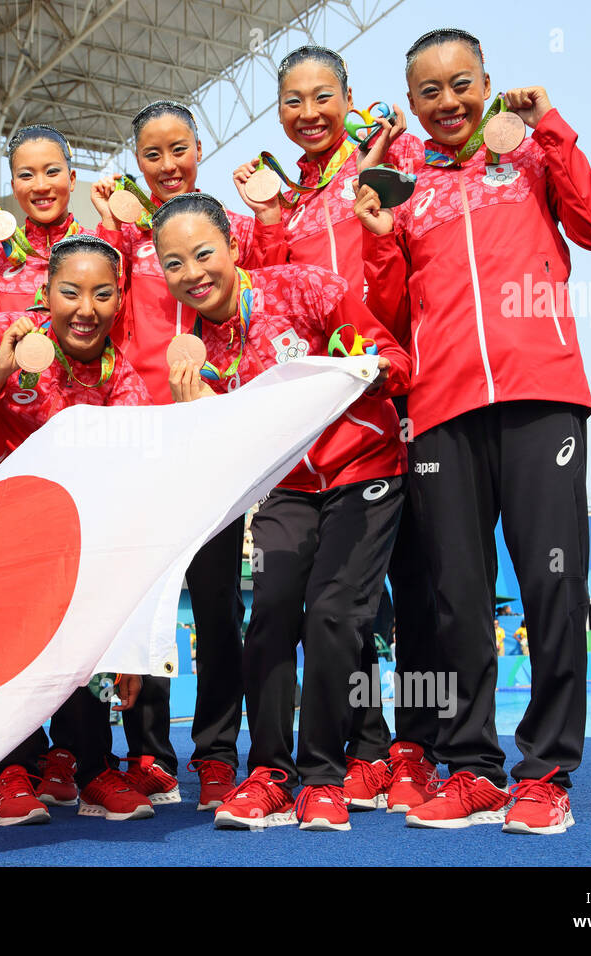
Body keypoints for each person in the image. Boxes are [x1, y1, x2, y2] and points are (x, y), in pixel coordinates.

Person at [356, 27, 591, 834]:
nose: (449, 102)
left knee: (552, 584)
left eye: (462, 83)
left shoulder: (532, 156)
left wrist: (553, 127)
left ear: (487, 82)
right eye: (430, 91)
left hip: (543, 395)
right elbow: (390, 311)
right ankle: (472, 768)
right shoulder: (407, 189)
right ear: (411, 103)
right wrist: (377, 244)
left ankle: (547, 775)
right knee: (454, 600)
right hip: (442, 409)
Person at [152, 193, 410, 833]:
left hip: (364, 467)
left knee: (331, 615)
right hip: (286, 487)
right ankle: (269, 773)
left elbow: (396, 360)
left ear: (233, 247)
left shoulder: (306, 288)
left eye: (204, 253)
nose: (193, 273)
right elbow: (227, 456)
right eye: (174, 263)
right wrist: (197, 410)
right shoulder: (193, 350)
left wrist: (369, 370)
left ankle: (323, 776)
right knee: (268, 616)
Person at [240, 46, 441, 813]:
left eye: (323, 96)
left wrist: (390, 151)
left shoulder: (394, 158)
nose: (309, 112)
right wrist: (262, 222)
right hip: (325, 431)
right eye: (293, 101)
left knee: (421, 588)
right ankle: (366, 740)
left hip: (408, 395)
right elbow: (266, 299)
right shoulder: (287, 207)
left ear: (351, 97)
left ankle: (420, 747)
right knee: (345, 605)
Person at [84, 101, 286, 811]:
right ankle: (146, 753)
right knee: (142, 606)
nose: (167, 165)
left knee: (215, 605)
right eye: (152, 154)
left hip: (212, 442)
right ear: (134, 160)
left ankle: (216, 754)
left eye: (179, 149)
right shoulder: (124, 243)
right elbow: (95, 320)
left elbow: (267, 308)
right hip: (141, 444)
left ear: (200, 148)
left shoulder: (224, 234)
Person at [0, 234, 152, 826]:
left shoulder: (123, 378)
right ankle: (10, 775)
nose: (86, 308)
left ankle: (92, 769)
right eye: (71, 292)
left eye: (102, 294)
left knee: (77, 646)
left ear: (120, 298)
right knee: (1, 654)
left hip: (68, 536)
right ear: (46, 292)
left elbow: (131, 483)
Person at [0, 125, 117, 346]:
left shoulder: (97, 248)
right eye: (26, 175)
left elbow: (117, 324)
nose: (41, 186)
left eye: (52, 172)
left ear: (72, 179)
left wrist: (112, 228)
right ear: (14, 188)